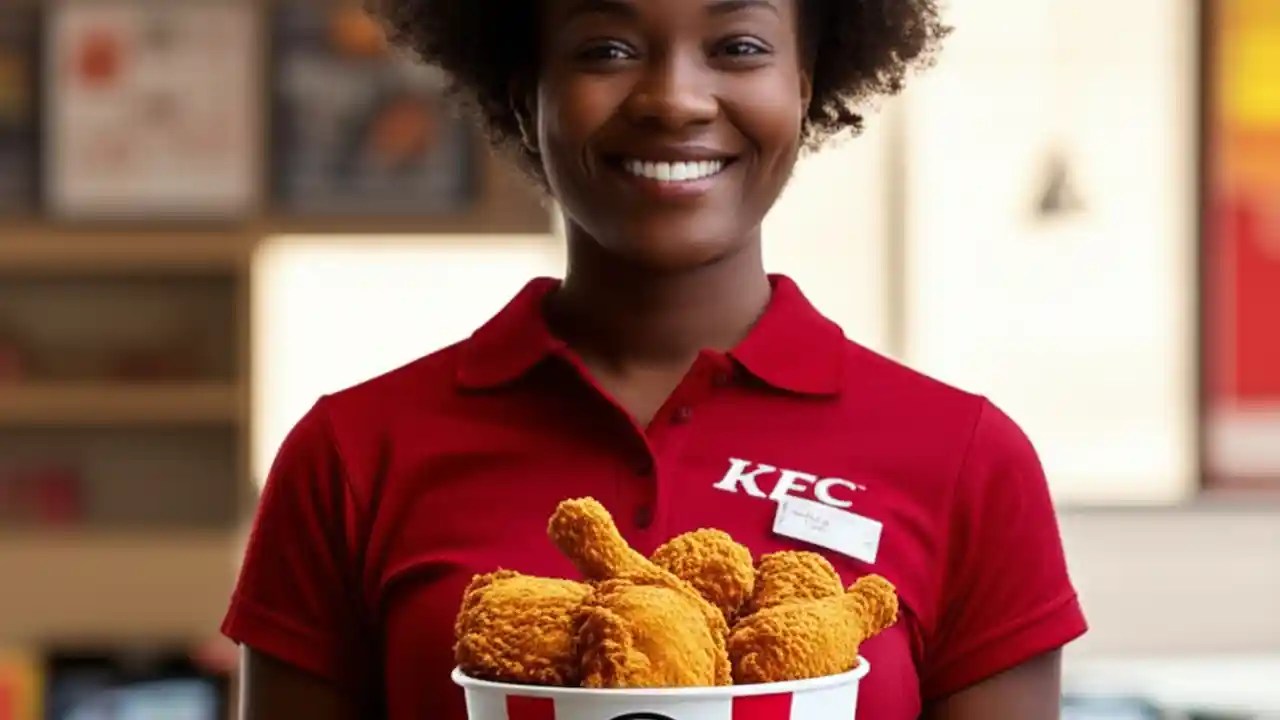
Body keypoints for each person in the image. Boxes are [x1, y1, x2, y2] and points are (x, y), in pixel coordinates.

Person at [222, 0, 1088, 718]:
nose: (675, 98)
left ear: (805, 88)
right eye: (607, 48)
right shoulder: (351, 455)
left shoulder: (966, 459)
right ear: (528, 95)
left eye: (739, 47)